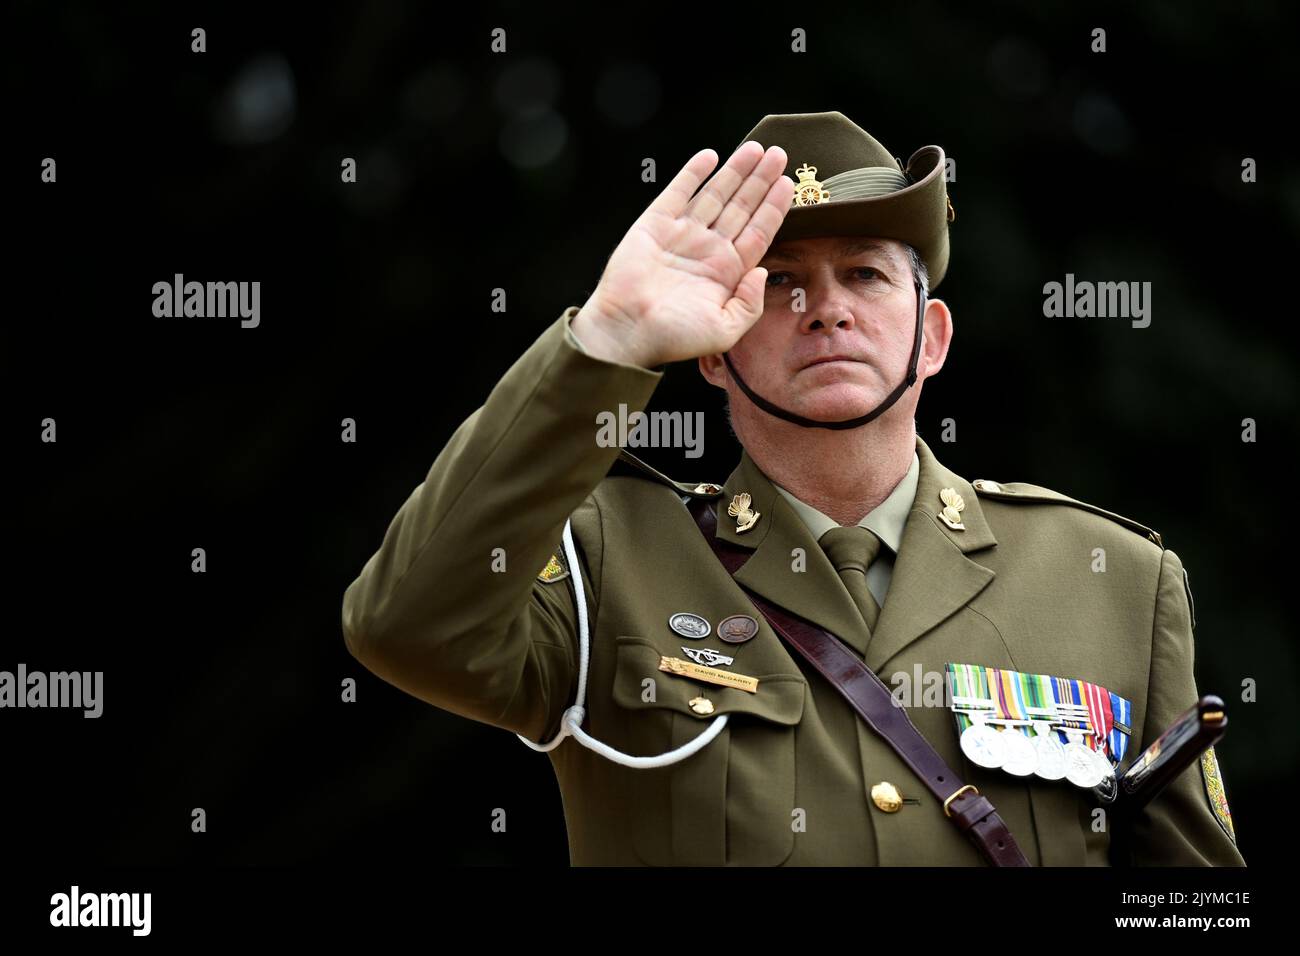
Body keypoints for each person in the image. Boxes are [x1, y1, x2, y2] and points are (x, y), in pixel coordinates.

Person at [341, 110, 1244, 866]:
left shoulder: (1110, 579)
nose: (827, 307)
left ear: (930, 338)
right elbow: (405, 627)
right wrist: (607, 343)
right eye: (778, 284)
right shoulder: (601, 556)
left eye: (863, 273)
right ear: (713, 348)